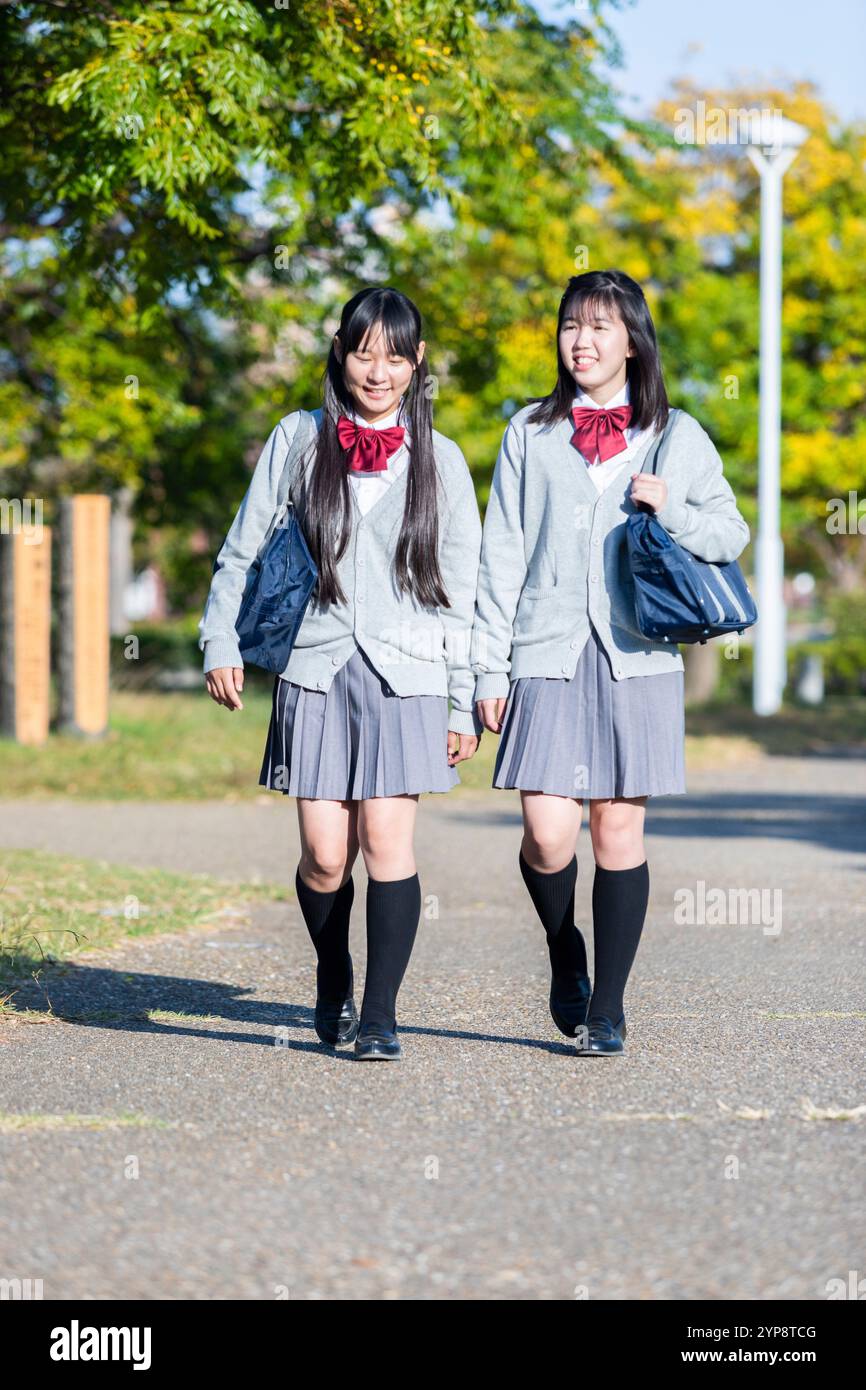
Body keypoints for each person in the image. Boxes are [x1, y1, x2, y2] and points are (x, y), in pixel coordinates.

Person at [471, 269, 750, 1055]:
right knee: (547, 835)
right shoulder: (527, 431)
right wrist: (488, 670)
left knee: (617, 834)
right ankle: (566, 954)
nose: (582, 340)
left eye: (599, 326)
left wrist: (676, 508)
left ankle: (609, 1011)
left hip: (640, 660)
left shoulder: (675, 432)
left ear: (632, 339)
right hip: (545, 651)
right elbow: (500, 557)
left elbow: (731, 536)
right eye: (570, 326)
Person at [199, 287, 482, 1059]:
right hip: (315, 666)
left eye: (395, 355)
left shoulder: (443, 459)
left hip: (410, 673)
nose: (378, 370)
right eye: (364, 352)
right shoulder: (298, 439)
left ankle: (381, 1017)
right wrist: (218, 638)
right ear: (339, 351)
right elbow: (241, 550)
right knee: (327, 855)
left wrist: (464, 696)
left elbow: (463, 590)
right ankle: (334, 973)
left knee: (388, 842)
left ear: (417, 362)